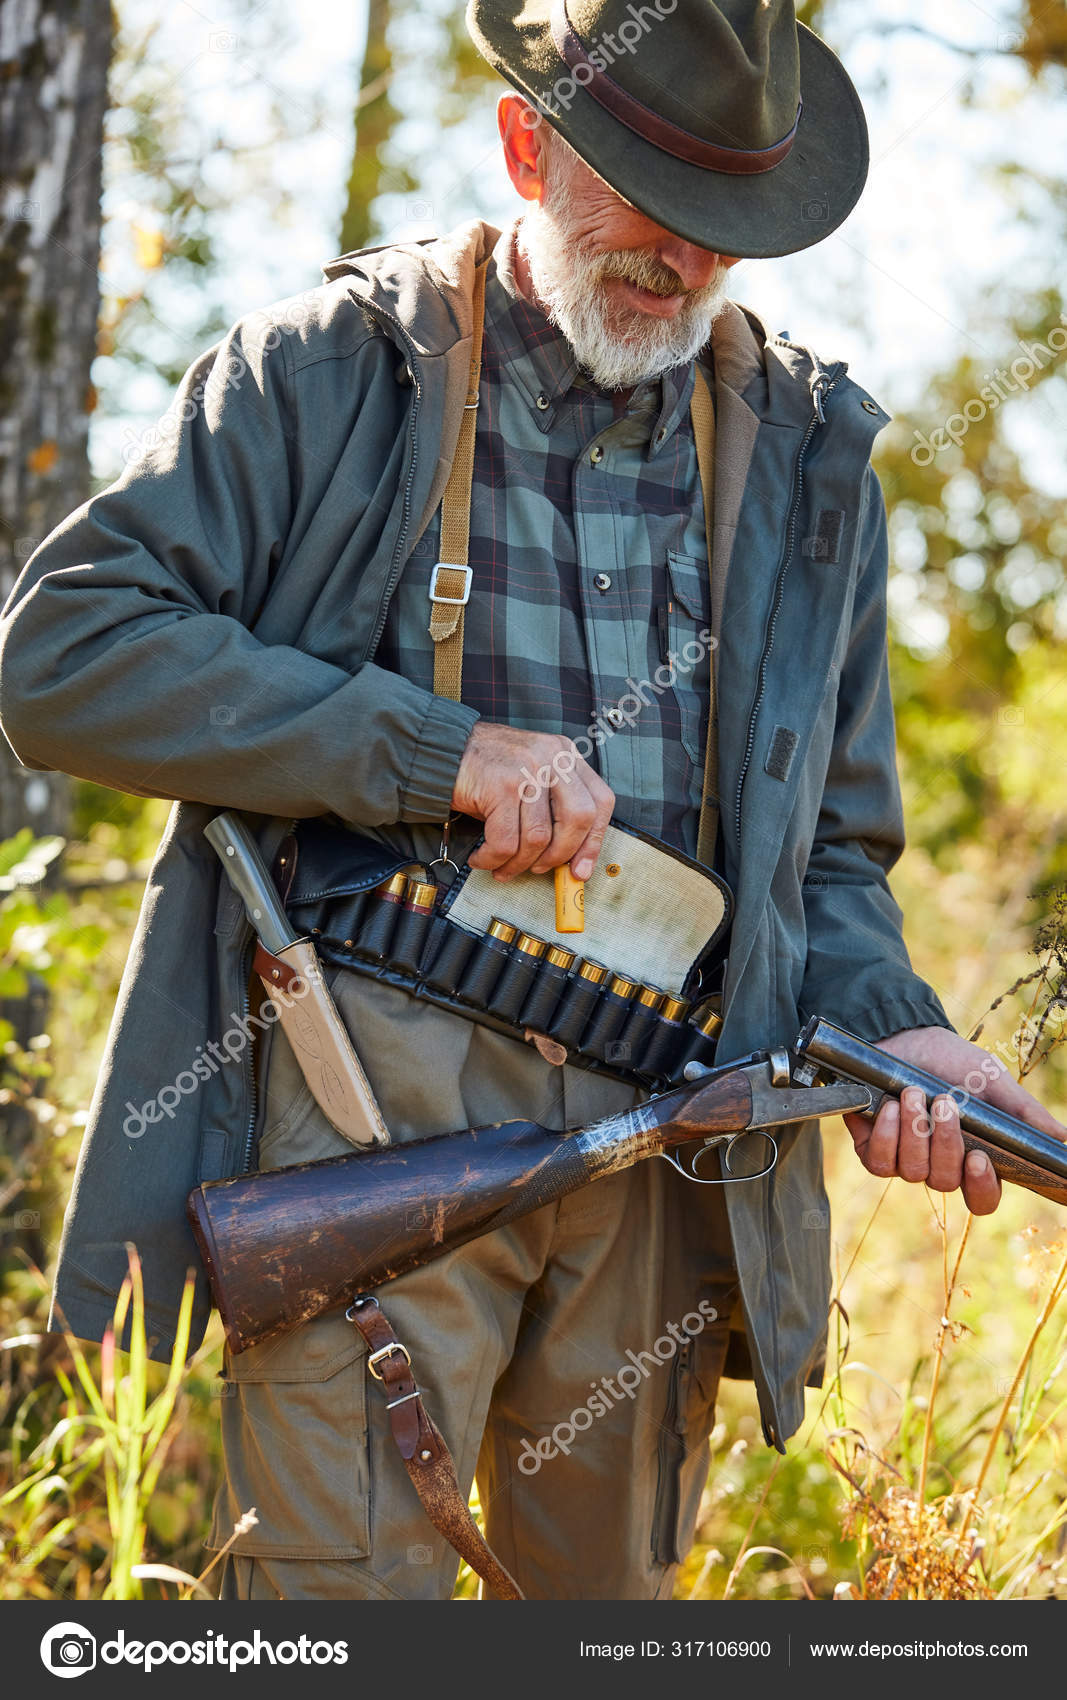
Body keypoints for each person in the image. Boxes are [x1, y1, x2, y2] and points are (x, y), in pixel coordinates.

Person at [0, 0, 1062, 1602]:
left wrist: (897, 1028)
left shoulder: (810, 454)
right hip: (359, 1113)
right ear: (523, 147)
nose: (690, 263)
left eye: (728, 227)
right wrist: (437, 753)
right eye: (654, 202)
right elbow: (63, 653)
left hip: (672, 1141)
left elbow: (827, 856)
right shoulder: (324, 370)